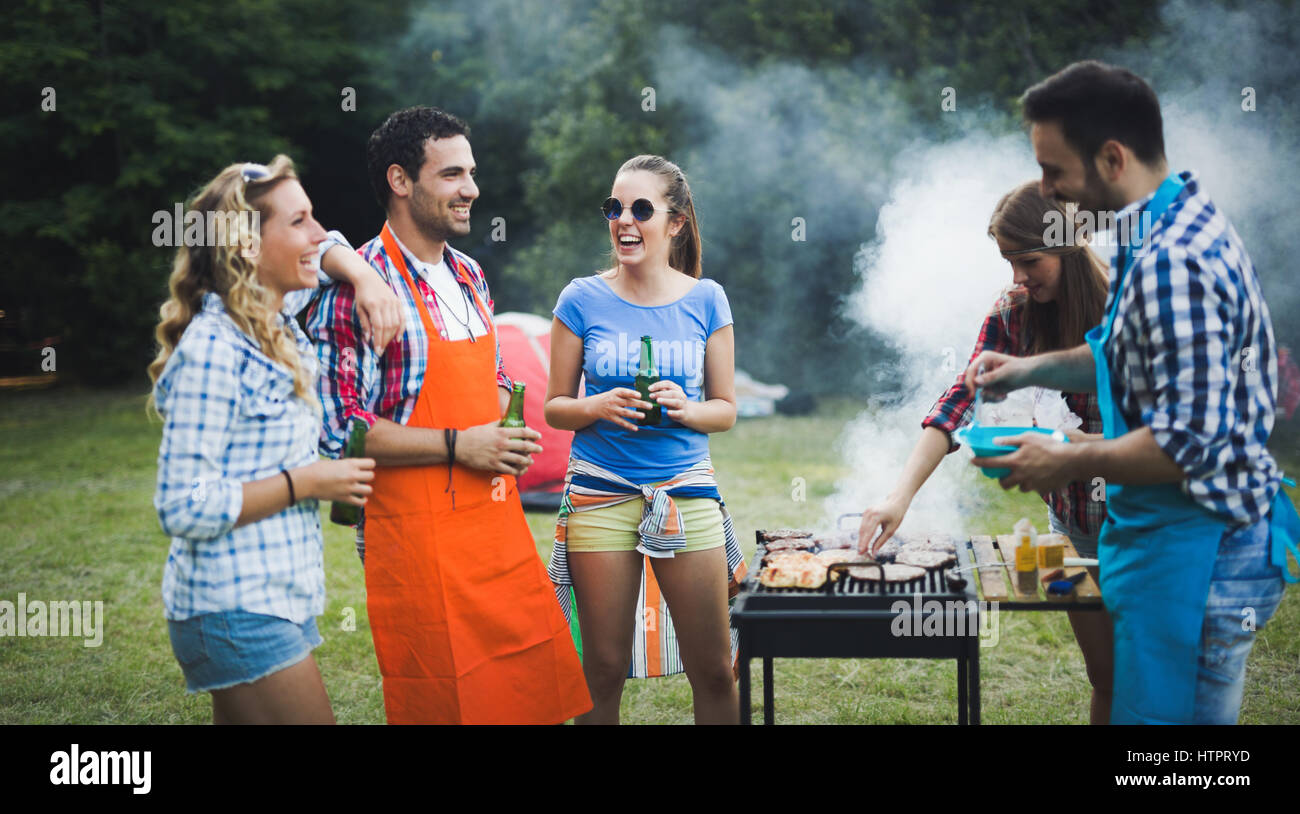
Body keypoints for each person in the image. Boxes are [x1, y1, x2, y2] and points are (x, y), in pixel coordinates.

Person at [965, 61, 1296, 724]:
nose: (1047, 190)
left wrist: (1065, 458)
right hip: (1171, 547)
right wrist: (1026, 371)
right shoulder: (1163, 228)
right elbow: (1123, 359)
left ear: (1111, 158)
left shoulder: (1175, 262)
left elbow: (1184, 446)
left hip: (1201, 556)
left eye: (1054, 171)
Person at [305, 106, 591, 724]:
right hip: (414, 533)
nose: (472, 190)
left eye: (473, 173)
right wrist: (462, 444)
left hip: (495, 525)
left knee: (526, 694)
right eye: (452, 174)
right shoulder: (359, 287)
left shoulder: (470, 275)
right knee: (444, 700)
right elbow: (341, 432)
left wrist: (511, 424)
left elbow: (488, 381)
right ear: (400, 181)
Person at [149, 155, 400, 724]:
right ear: (246, 246)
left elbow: (331, 246)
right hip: (235, 605)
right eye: (298, 222)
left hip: (272, 600)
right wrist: (306, 481)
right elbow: (181, 503)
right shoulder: (215, 349)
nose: (319, 234)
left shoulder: (276, 320)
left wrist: (363, 275)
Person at [858, 180, 1115, 724]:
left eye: (1028, 261)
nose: (1017, 277)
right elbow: (961, 401)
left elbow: (1159, 440)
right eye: (1008, 262)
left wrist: (1063, 447)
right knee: (1108, 678)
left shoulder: (1124, 308)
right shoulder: (1015, 309)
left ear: (1069, 243)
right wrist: (898, 497)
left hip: (1144, 524)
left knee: (1155, 680)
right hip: (1074, 524)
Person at [544, 155, 745, 725]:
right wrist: (596, 406)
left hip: (686, 492)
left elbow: (726, 411)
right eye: (614, 208)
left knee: (713, 668)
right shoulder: (580, 298)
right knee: (601, 670)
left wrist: (687, 408)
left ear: (675, 222)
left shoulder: (707, 299)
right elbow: (556, 408)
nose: (623, 221)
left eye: (640, 209)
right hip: (600, 492)